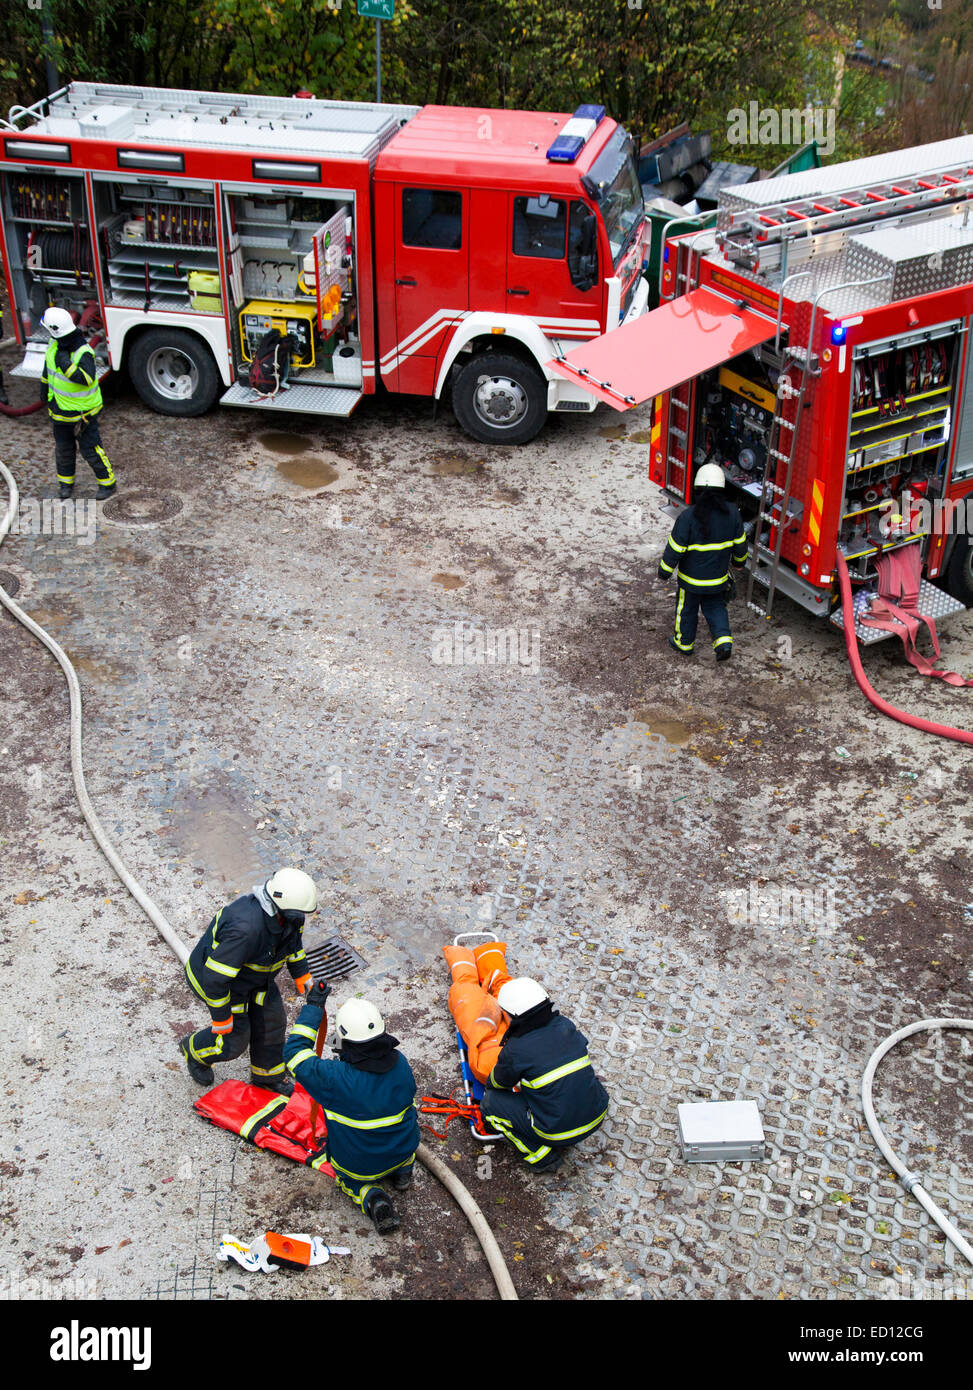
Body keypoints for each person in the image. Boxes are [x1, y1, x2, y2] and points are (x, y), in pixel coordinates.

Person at [283, 991, 420, 1235]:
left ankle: (374, 1198)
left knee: (349, 1180)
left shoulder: (333, 1079)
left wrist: (314, 1007)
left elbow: (293, 1054)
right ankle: (403, 1175)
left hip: (360, 1166)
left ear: (346, 1042)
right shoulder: (401, 1064)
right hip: (403, 1151)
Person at [180, 868, 318, 1096]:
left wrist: (302, 975)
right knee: (234, 1040)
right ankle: (194, 1050)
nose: (301, 917)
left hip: (256, 980)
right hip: (224, 986)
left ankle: (267, 1077)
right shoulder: (246, 930)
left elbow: (293, 946)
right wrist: (222, 1017)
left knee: (273, 1023)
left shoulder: (291, 917)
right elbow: (215, 979)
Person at [480, 978, 609, 1174]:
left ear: (513, 1016)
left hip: (556, 1130)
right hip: (597, 1114)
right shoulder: (565, 1025)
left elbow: (497, 1083)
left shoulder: (516, 1050)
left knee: (490, 1103)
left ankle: (542, 1158)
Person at [658, 463, 748, 661]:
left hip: (690, 581)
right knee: (716, 608)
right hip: (717, 580)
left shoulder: (688, 516)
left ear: (697, 490)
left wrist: (664, 570)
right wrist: (739, 562)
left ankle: (684, 643)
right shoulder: (732, 514)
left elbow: (675, 547)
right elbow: (740, 544)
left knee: (686, 610)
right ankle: (723, 642)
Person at [40, 306, 116, 501]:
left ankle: (107, 483)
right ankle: (65, 484)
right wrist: (44, 394)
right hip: (60, 412)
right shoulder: (54, 345)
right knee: (63, 449)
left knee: (90, 448)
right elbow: (48, 371)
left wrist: (65, 364)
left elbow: (86, 378)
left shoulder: (82, 352)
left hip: (83, 414)